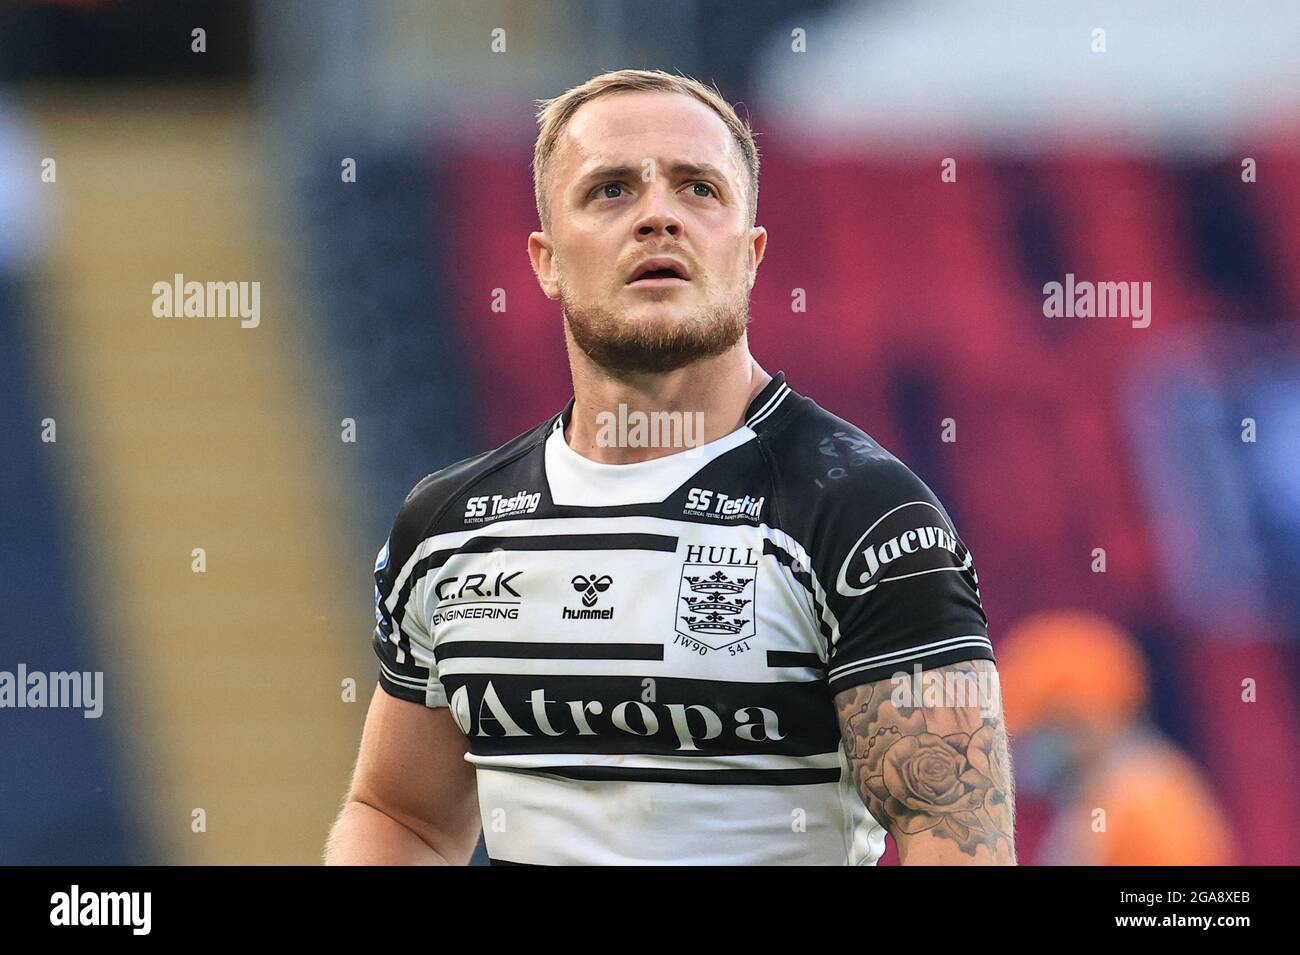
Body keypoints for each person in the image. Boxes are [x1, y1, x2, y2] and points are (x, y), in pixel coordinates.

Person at [325, 68, 1015, 865]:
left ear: (751, 253)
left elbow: (958, 842)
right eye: (612, 190)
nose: (659, 216)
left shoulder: (867, 521)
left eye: (698, 189)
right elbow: (402, 815)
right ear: (545, 261)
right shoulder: (445, 531)